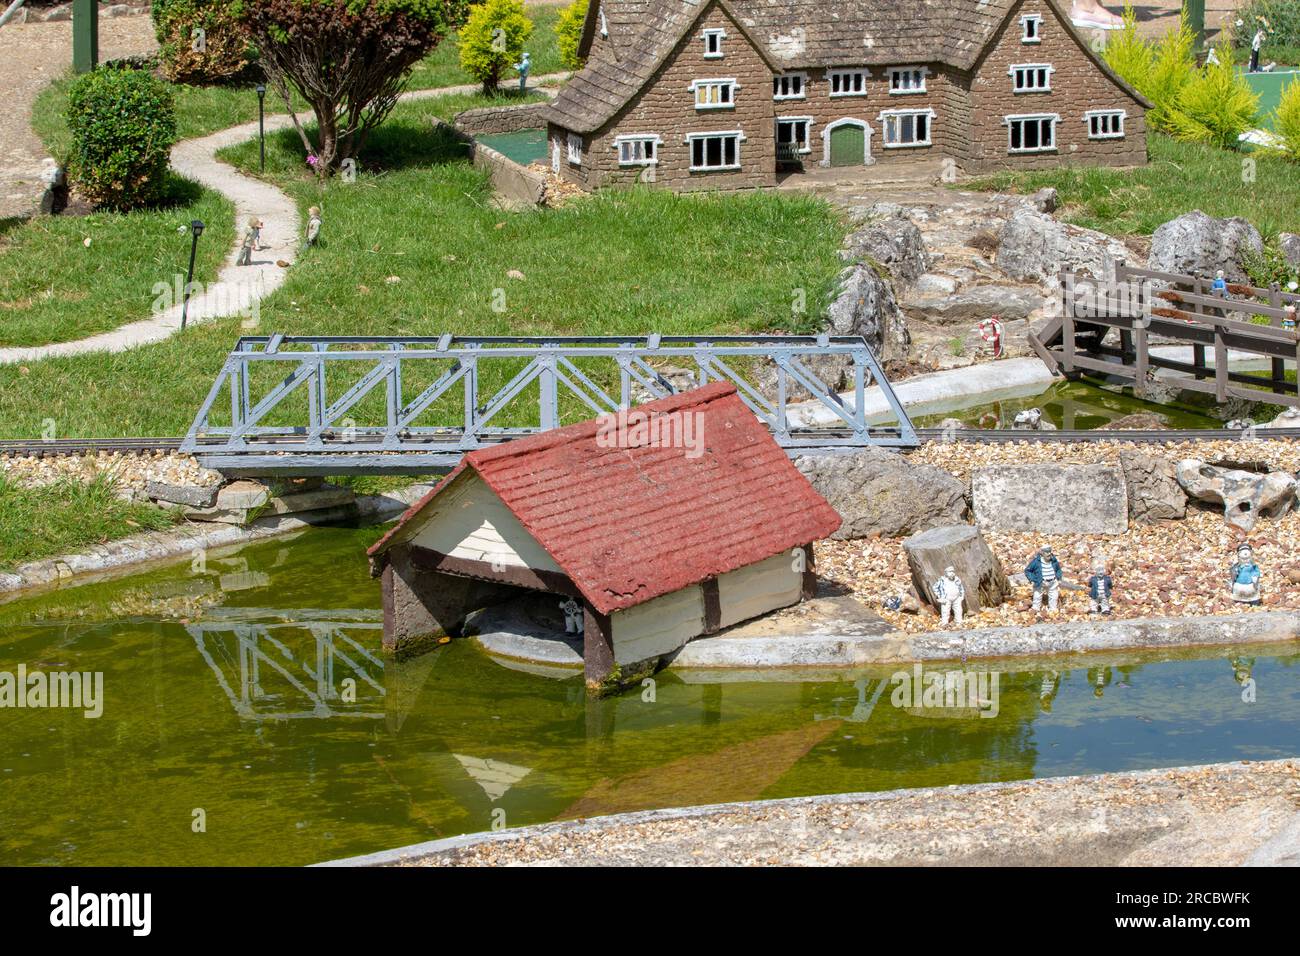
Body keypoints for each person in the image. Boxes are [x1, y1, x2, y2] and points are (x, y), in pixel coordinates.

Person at [1025, 544, 1062, 614]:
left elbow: (1058, 569)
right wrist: (1032, 579)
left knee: (1054, 595)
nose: (1049, 554)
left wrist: (1059, 578)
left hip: (1052, 581)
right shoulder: (1036, 562)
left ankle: (1053, 608)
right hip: (1040, 581)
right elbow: (1028, 570)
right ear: (1042, 553)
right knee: (1037, 595)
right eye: (1047, 552)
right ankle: (1036, 608)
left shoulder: (1054, 560)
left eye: (1050, 552)